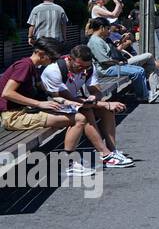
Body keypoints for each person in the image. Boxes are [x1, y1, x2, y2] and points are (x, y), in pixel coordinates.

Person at [1, 39, 102, 179]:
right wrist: (39, 104)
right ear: (42, 54)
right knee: (79, 119)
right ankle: (68, 164)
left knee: (77, 113)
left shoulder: (33, 68)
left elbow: (49, 93)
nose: (54, 61)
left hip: (25, 111)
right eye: (53, 58)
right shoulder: (24, 66)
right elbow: (7, 93)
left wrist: (68, 102)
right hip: (14, 116)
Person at [40, 44, 134, 171]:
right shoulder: (54, 71)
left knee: (107, 111)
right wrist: (103, 103)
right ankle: (105, 154)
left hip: (74, 103)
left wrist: (94, 97)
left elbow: (96, 91)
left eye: (86, 67)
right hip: (52, 105)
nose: (83, 70)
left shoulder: (88, 68)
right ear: (70, 59)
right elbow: (67, 98)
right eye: (79, 66)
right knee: (86, 111)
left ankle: (112, 150)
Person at [87, 18, 159, 104]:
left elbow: (112, 54)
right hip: (106, 69)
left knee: (144, 64)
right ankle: (144, 96)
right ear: (102, 28)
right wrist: (119, 63)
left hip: (114, 65)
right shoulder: (95, 41)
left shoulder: (101, 39)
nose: (109, 31)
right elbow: (104, 60)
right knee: (139, 71)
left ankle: (150, 91)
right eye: (107, 28)